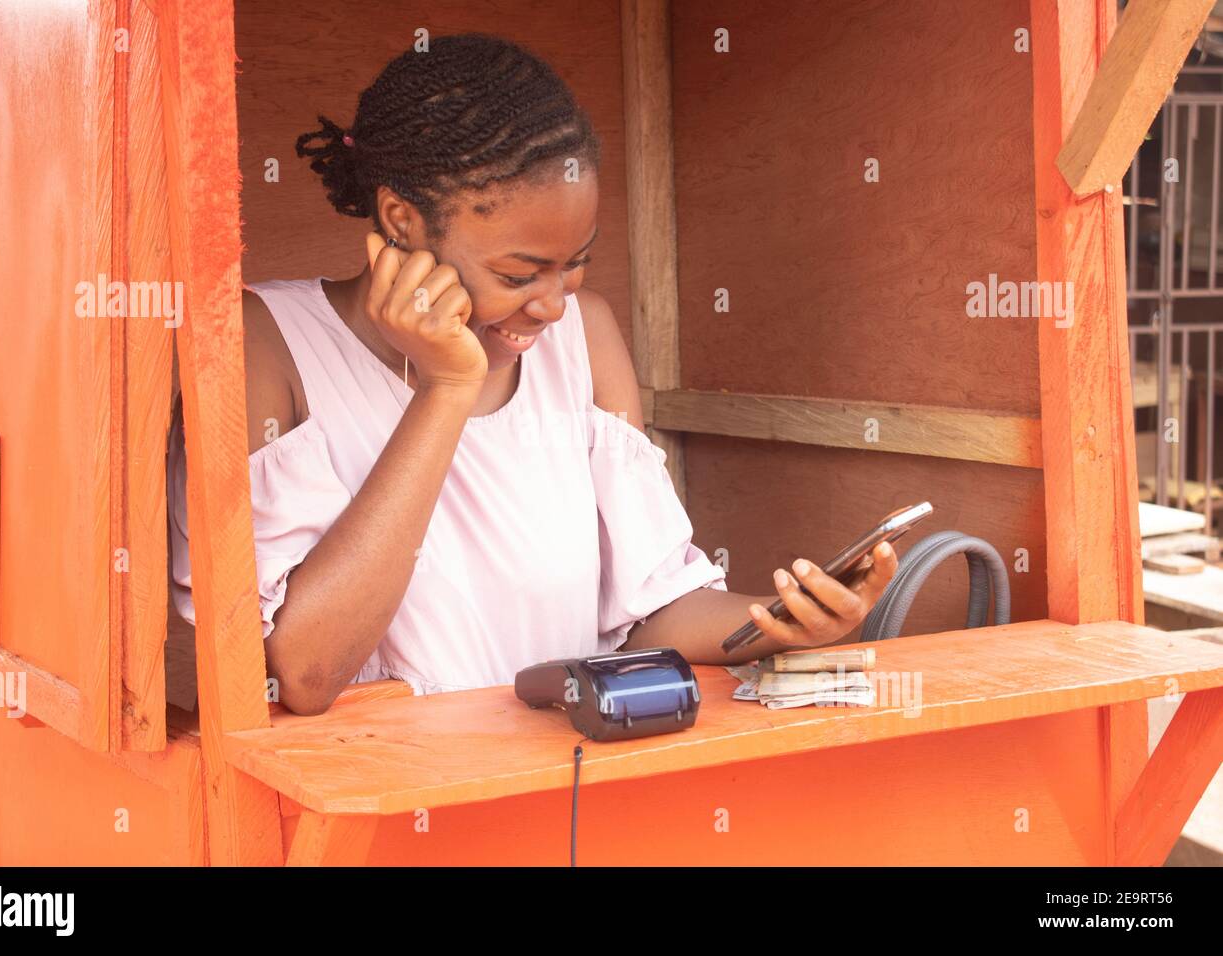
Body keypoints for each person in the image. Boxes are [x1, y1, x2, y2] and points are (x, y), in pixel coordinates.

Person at [168, 33, 897, 715]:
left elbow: (649, 611)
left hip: (563, 794)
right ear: (401, 219)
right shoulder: (266, 344)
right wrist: (446, 387)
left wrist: (781, 626)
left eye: (576, 262)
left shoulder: (587, 338)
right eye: (519, 273)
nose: (552, 304)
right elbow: (304, 671)